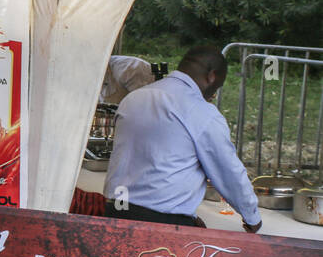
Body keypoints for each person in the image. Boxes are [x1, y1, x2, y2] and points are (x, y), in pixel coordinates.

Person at [104, 45, 261, 231]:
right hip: (158, 223)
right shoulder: (201, 112)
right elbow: (228, 172)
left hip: (114, 211)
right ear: (211, 77)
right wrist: (252, 217)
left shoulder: (134, 98)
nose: (212, 96)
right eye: (216, 89)